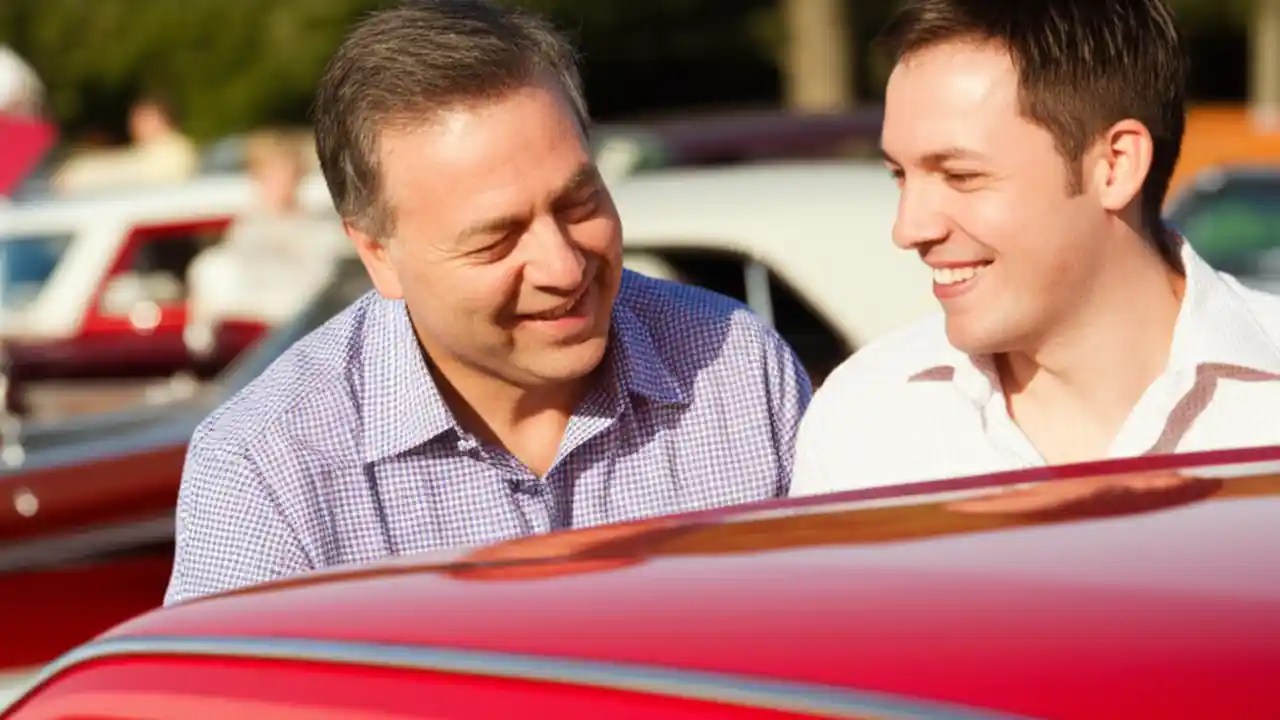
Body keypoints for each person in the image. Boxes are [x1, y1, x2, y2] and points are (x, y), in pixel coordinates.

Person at [164, 0, 811, 605]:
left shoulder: (733, 368)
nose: (563, 266)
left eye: (579, 203)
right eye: (496, 240)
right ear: (378, 256)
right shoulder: (267, 468)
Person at [791, 0, 1280, 496]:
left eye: (962, 176)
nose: (908, 228)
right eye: (900, 175)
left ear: (1114, 166)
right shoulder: (865, 424)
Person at [183, 129, 344, 357]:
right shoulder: (246, 230)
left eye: (288, 174)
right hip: (261, 343)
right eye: (273, 175)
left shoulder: (322, 227)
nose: (282, 183)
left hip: (312, 332)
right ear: (258, 178)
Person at [52, 94, 198, 193]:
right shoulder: (154, 150)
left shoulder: (174, 152)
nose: (134, 125)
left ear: (162, 119)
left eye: (143, 119)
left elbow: (131, 173)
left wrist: (80, 174)